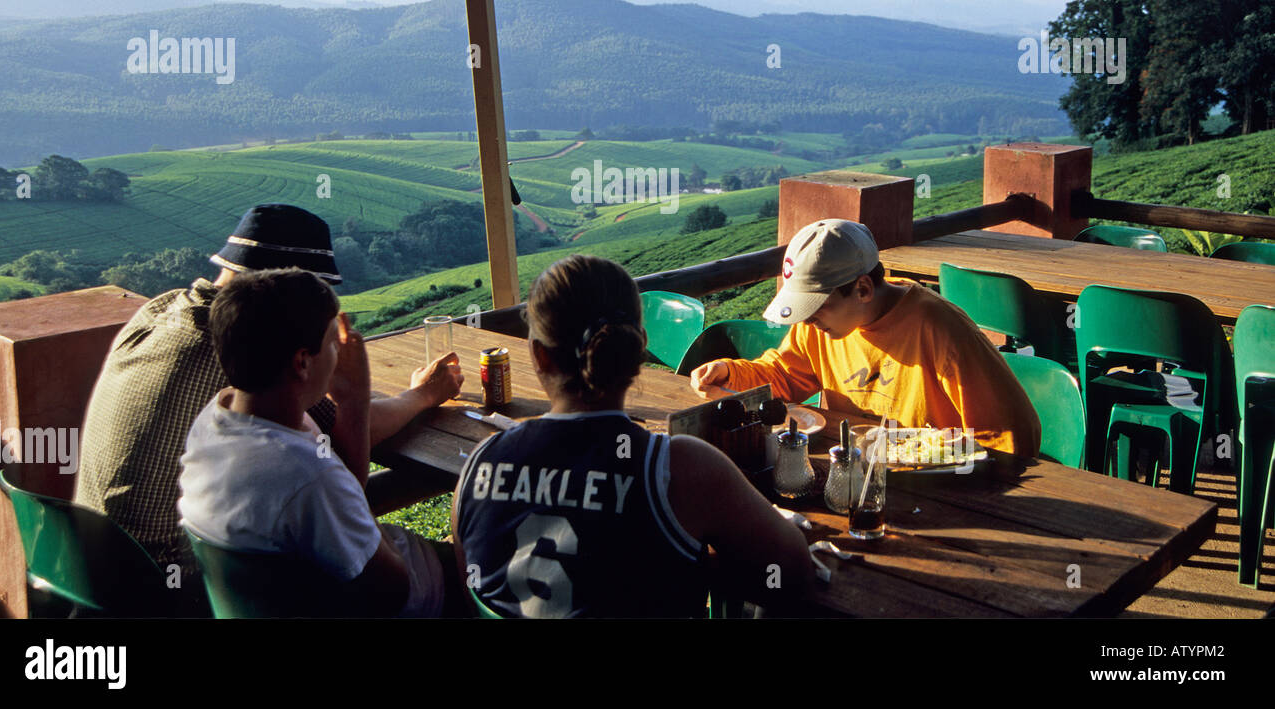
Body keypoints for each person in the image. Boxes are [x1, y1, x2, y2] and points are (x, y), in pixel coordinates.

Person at [75, 204, 462, 613]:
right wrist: (423, 394)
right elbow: (349, 442)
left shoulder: (161, 313)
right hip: (165, 585)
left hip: (93, 560)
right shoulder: (247, 360)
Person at [453, 254, 812, 618]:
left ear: (539, 356)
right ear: (640, 345)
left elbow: (470, 586)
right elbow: (794, 570)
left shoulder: (480, 464)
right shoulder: (680, 468)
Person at [179, 268, 458, 616]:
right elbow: (394, 591)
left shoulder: (217, 419)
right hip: (420, 595)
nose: (340, 353)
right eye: (332, 343)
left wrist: (353, 401)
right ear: (302, 362)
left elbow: (342, 489)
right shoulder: (304, 474)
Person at [690, 219, 1041, 457]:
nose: (808, 321)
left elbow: (1011, 437)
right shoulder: (819, 327)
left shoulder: (941, 329)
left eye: (815, 308)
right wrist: (730, 373)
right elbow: (784, 376)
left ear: (862, 288)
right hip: (857, 470)